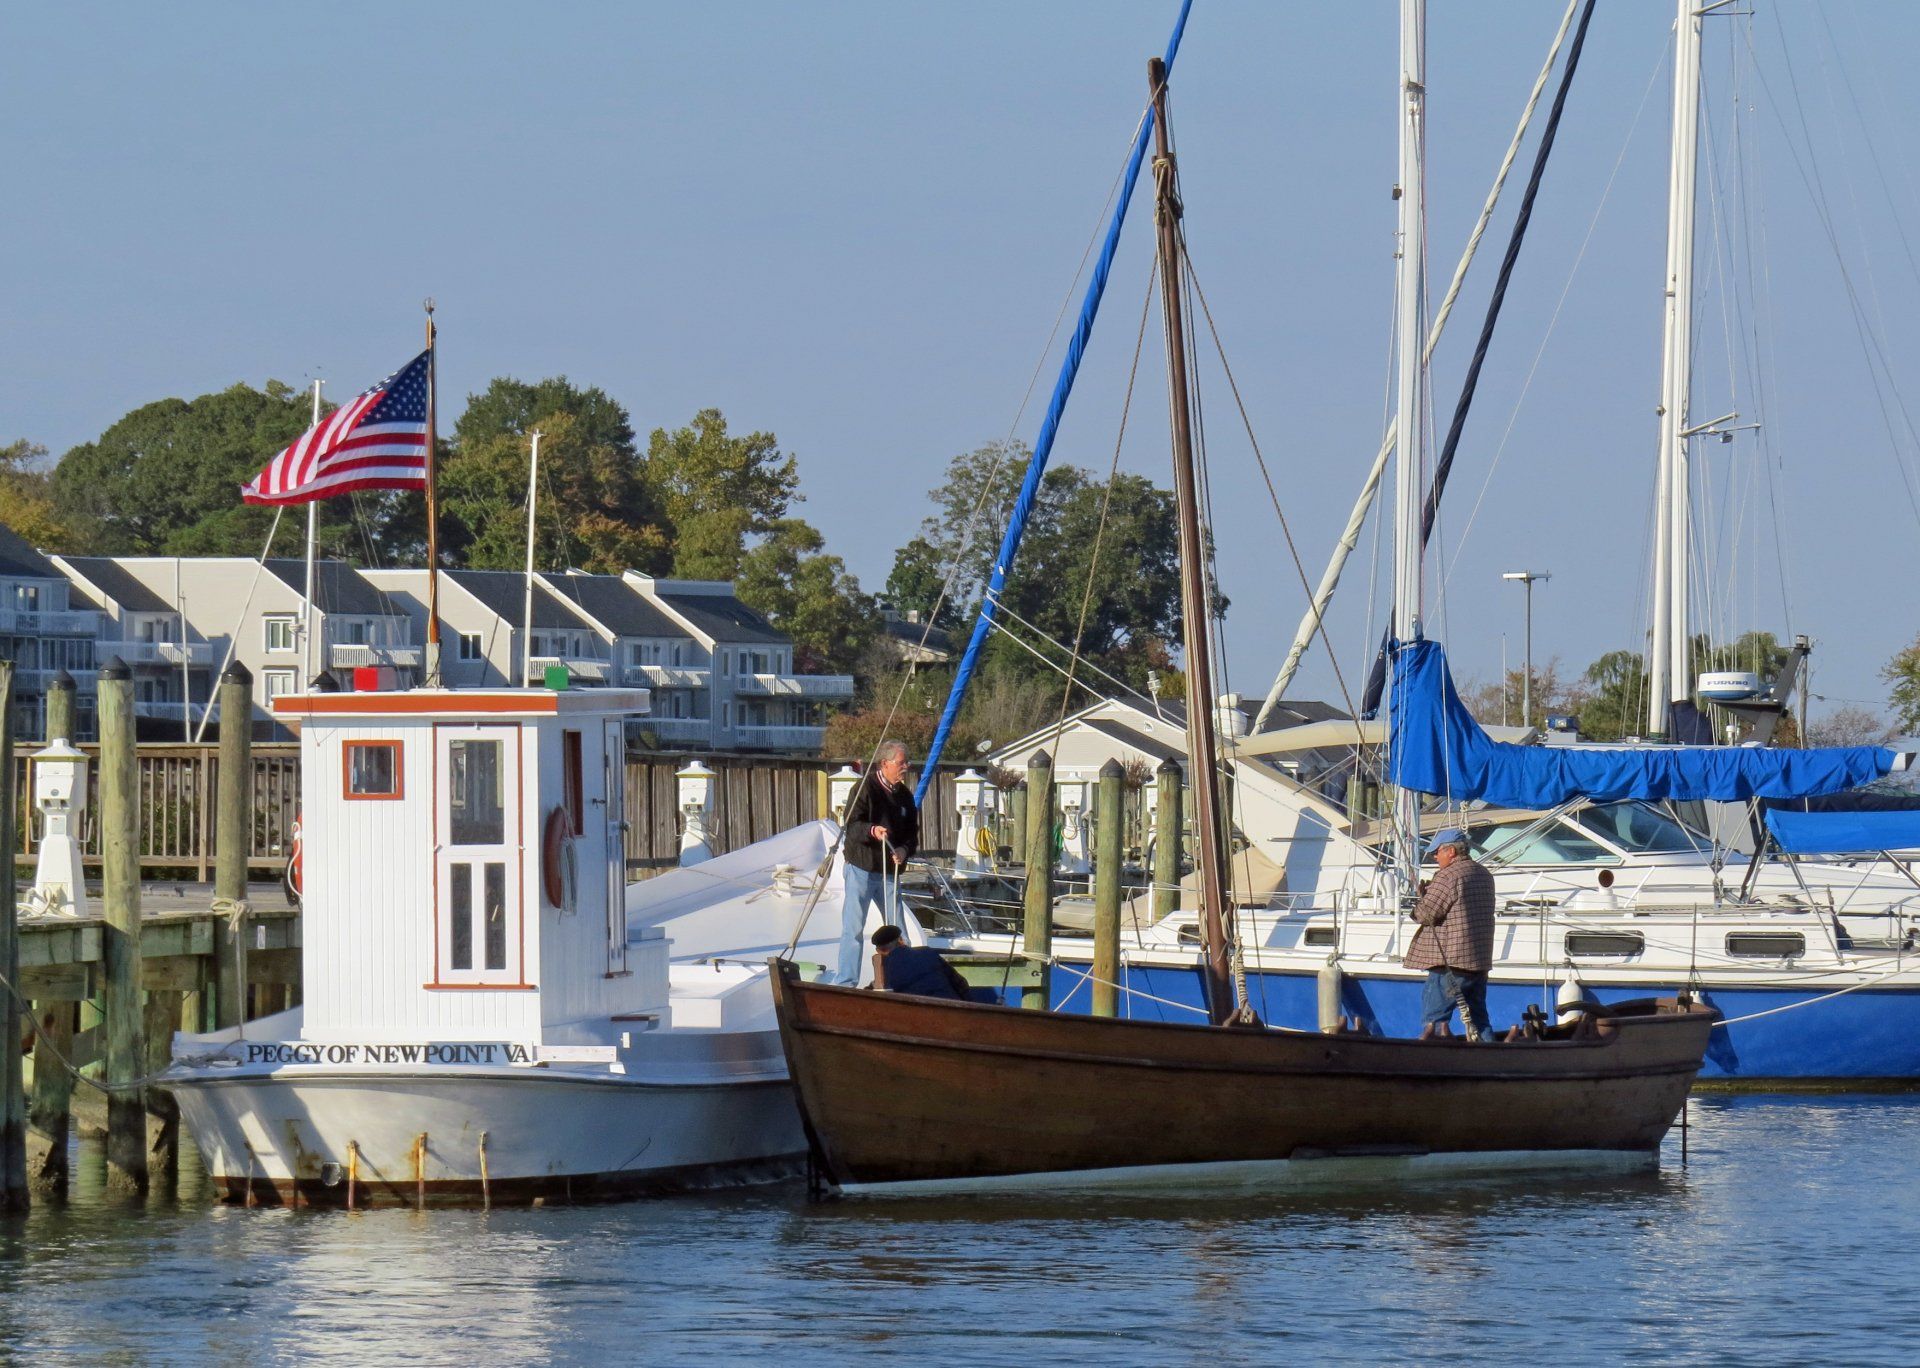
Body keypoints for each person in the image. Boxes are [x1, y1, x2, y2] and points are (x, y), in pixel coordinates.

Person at [833, 739, 919, 985]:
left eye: (906, 763)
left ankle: (904, 980)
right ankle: (846, 982)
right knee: (854, 928)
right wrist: (873, 830)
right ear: (885, 763)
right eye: (902, 763)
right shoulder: (864, 788)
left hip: (889, 871)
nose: (906, 767)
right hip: (861, 866)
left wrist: (903, 849)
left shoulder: (905, 797)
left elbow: (913, 834)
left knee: (898, 929)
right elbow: (852, 826)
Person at [1405, 827, 1497, 1041]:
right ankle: (1493, 1058)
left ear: (1451, 852)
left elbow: (1426, 914)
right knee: (1479, 1020)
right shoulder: (1483, 873)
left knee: (1435, 1019)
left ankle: (1436, 1063)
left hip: (1450, 962)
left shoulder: (1448, 875)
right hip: (1477, 961)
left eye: (1437, 851)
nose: (1435, 856)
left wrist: (1421, 899)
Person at [869, 924, 972, 1001]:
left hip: (919, 1019)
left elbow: (873, 996)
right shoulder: (928, 952)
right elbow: (960, 983)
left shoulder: (885, 969)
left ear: (879, 951)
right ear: (901, 940)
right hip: (954, 1009)